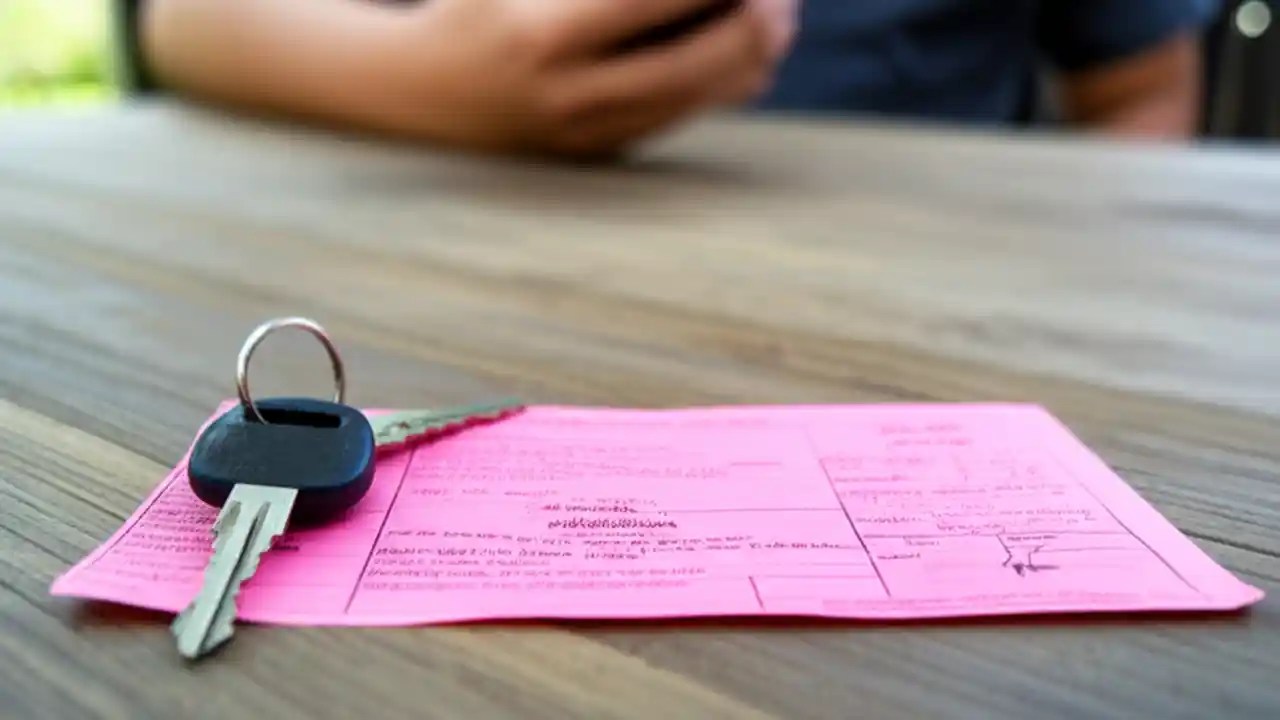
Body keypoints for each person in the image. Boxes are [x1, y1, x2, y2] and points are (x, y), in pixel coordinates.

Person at [113, 0, 1220, 158]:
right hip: (448, 254)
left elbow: (1139, 88)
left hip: (916, 339)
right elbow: (184, 21)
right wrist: (437, 82)